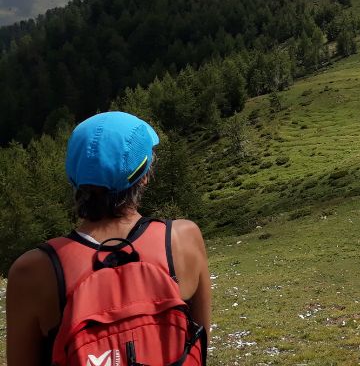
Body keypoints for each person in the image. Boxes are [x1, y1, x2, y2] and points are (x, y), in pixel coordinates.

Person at [5, 112, 212, 366]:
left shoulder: (33, 271)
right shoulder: (184, 239)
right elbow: (199, 348)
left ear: (75, 181)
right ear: (144, 176)